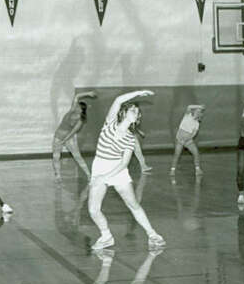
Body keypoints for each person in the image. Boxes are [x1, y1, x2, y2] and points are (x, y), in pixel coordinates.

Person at [88, 90, 165, 249]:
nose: (136, 113)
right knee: (93, 209)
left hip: (118, 170)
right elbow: (117, 100)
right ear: (124, 112)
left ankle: (152, 234)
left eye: (138, 112)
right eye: (133, 110)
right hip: (100, 166)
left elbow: (124, 163)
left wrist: (105, 177)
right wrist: (139, 93)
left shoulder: (130, 139)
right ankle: (106, 236)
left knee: (133, 204)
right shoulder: (110, 123)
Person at [52, 90, 97, 181]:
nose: (75, 106)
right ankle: (58, 176)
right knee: (56, 156)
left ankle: (89, 175)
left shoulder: (80, 121)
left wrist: (64, 140)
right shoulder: (72, 110)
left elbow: (72, 132)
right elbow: (77, 96)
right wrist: (88, 93)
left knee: (77, 156)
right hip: (58, 136)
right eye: (76, 105)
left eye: (77, 106)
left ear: (81, 109)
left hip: (68, 138)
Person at [170, 104, 205, 176]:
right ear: (194, 112)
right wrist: (199, 106)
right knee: (177, 155)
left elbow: (193, 134)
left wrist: (187, 139)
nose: (197, 112)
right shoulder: (187, 116)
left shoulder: (197, 123)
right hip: (180, 139)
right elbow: (189, 106)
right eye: (196, 111)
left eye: (199, 112)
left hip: (188, 140)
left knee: (196, 153)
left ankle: (198, 170)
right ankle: (172, 170)